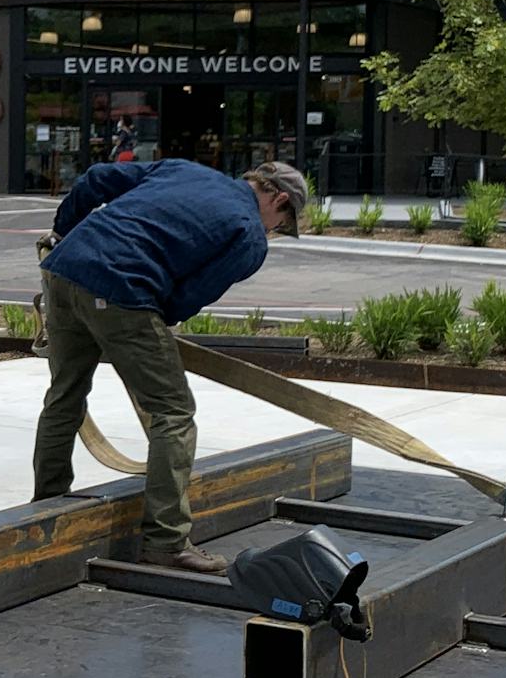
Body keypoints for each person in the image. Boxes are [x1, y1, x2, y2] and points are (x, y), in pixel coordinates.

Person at [34, 158, 310, 574]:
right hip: (123, 288)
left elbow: (95, 179)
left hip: (63, 269)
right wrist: (143, 323)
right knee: (174, 412)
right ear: (279, 198)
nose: (274, 229)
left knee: (65, 394)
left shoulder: (183, 170)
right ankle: (166, 541)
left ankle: (45, 508)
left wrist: (64, 233)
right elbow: (188, 297)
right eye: (281, 222)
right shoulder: (249, 235)